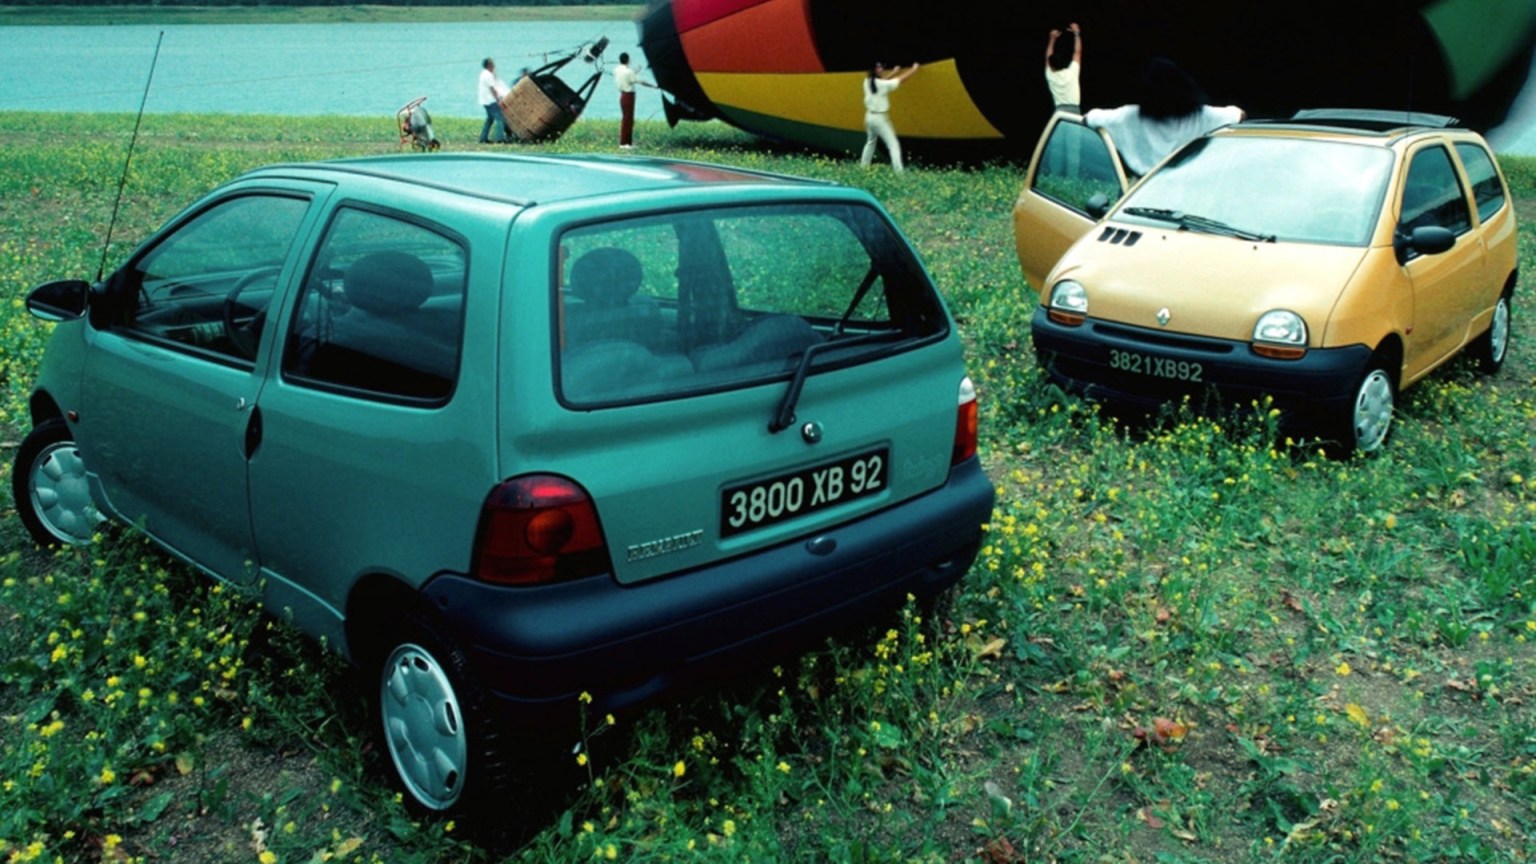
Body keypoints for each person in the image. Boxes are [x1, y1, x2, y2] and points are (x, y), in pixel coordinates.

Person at [1084, 56, 1244, 176]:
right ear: (1183, 87)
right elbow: (1239, 115)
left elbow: (1089, 118)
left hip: (1141, 190)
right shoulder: (1201, 116)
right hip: (1183, 188)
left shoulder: (1130, 116)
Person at [860, 61, 920, 173]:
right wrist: (914, 69)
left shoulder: (867, 82)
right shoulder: (881, 84)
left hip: (869, 117)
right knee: (893, 144)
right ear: (875, 70)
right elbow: (900, 80)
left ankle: (863, 167)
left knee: (870, 142)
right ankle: (899, 172)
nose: (882, 69)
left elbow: (881, 83)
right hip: (879, 119)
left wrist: (894, 72)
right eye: (879, 67)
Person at [614, 53, 654, 148]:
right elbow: (640, 82)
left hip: (622, 95)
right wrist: (654, 86)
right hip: (629, 96)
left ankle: (627, 142)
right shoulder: (629, 72)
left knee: (626, 118)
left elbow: (627, 76)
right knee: (628, 119)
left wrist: (635, 71)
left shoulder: (617, 70)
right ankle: (625, 143)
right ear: (627, 60)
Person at [1044, 22, 1083, 111]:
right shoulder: (1072, 72)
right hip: (1074, 110)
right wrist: (1076, 33)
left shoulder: (1050, 75)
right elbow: (1077, 53)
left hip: (1059, 111)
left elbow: (1047, 57)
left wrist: (1052, 39)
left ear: (1051, 66)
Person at [478, 57, 513, 144]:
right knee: (499, 119)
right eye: (492, 64)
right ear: (489, 65)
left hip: (484, 100)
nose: (494, 66)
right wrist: (498, 99)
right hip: (490, 100)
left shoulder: (483, 74)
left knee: (490, 119)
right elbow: (492, 89)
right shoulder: (488, 75)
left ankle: (483, 138)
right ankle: (500, 138)